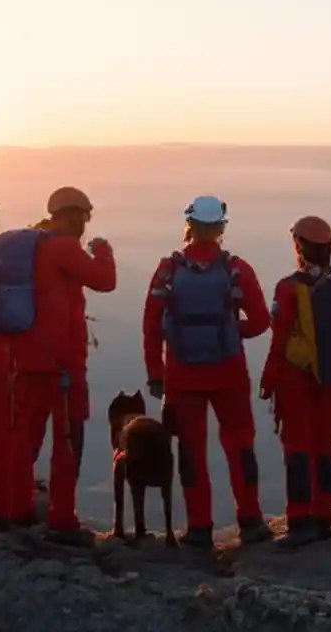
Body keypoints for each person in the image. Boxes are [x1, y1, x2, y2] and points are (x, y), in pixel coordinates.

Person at [0, 186, 116, 545]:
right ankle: (62, 517)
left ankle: (15, 509)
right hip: (63, 363)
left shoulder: (35, 247)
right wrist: (103, 250)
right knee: (68, 439)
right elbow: (105, 280)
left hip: (25, 357)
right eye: (84, 217)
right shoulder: (64, 247)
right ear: (73, 215)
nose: (84, 224)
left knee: (24, 435)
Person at [143, 195, 273, 548]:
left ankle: (199, 527)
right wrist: (231, 330)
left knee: (190, 451)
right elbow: (261, 321)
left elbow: (152, 324)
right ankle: (251, 520)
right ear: (220, 227)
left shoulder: (169, 270)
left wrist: (156, 372)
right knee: (240, 446)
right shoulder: (236, 269)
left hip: (182, 376)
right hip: (228, 373)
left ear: (189, 225)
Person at [260, 216, 331, 549]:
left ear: (300, 246)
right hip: (330, 377)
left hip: (296, 377)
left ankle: (300, 521)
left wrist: (269, 378)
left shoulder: (288, 287)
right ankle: (323, 517)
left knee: (298, 450)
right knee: (325, 448)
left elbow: (279, 338)